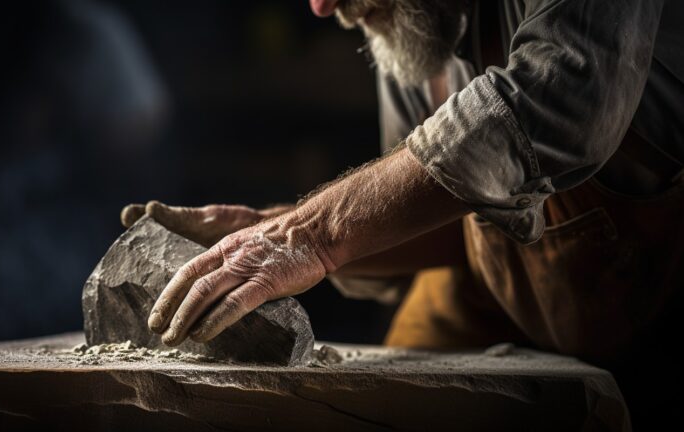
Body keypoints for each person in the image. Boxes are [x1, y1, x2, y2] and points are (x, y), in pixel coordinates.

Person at [123, 0, 683, 426]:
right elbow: (440, 209)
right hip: (492, 290)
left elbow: (559, 99)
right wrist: (270, 227)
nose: (320, 7)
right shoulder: (406, 18)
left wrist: (307, 234)